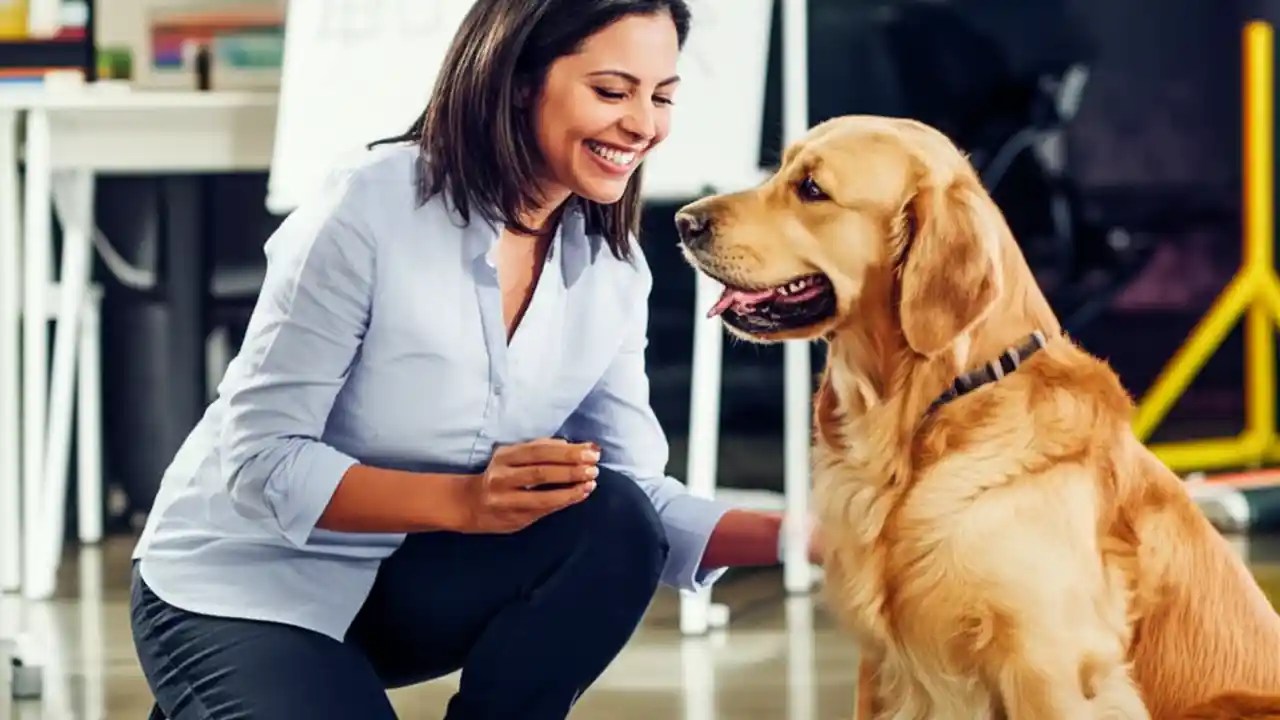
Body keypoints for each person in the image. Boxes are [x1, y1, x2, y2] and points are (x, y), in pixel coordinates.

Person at [130, 1, 819, 718]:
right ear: (519, 79)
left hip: (398, 585)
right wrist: (463, 502)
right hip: (240, 586)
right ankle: (225, 684)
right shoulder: (368, 210)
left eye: (662, 96)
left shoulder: (611, 271)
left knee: (611, 521)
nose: (644, 123)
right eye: (612, 92)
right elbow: (261, 464)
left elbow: (632, 495)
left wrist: (811, 538)